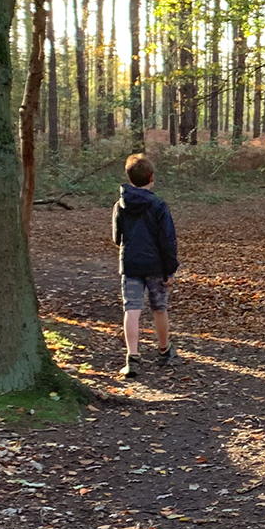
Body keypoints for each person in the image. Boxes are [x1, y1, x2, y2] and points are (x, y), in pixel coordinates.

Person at [112, 154, 179, 377]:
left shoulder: (120, 205)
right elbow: (167, 240)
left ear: (129, 177)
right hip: (156, 265)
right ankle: (164, 350)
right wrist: (170, 269)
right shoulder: (158, 205)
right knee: (159, 308)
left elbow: (116, 237)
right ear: (151, 177)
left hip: (130, 263)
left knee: (132, 308)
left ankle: (132, 357)